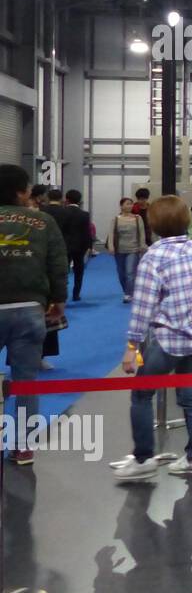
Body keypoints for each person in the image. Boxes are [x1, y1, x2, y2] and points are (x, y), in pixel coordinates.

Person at [115, 195, 192, 480]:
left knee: (141, 393)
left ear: (155, 223)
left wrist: (131, 348)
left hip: (171, 338)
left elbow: (142, 308)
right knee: (190, 394)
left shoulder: (153, 258)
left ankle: (144, 458)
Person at [0, 165, 68, 466]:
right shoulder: (42, 221)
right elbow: (57, 264)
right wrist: (59, 300)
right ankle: (23, 446)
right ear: (20, 191)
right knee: (26, 380)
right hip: (28, 309)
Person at [106, 196, 147, 301]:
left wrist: (142, 245)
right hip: (119, 249)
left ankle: (129, 294)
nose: (130, 206)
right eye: (127, 203)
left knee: (130, 273)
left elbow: (142, 233)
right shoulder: (115, 219)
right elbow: (111, 234)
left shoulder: (138, 218)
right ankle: (126, 291)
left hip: (133, 249)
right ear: (121, 206)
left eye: (131, 204)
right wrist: (111, 246)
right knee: (121, 273)